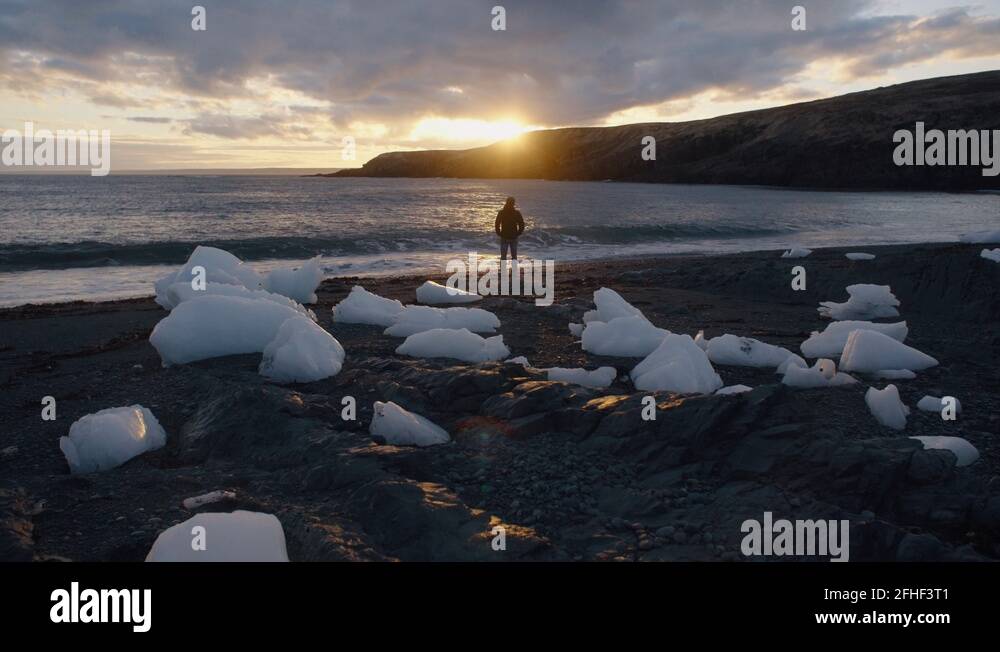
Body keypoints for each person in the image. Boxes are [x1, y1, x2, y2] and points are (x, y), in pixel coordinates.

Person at [494, 196, 525, 260]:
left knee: (503, 256)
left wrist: (499, 232)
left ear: (506, 202)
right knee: (514, 256)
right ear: (513, 203)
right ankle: (513, 267)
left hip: (505, 236)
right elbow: (521, 224)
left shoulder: (501, 212)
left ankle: (504, 267)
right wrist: (518, 233)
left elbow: (497, 223)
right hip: (512, 236)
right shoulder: (516, 213)